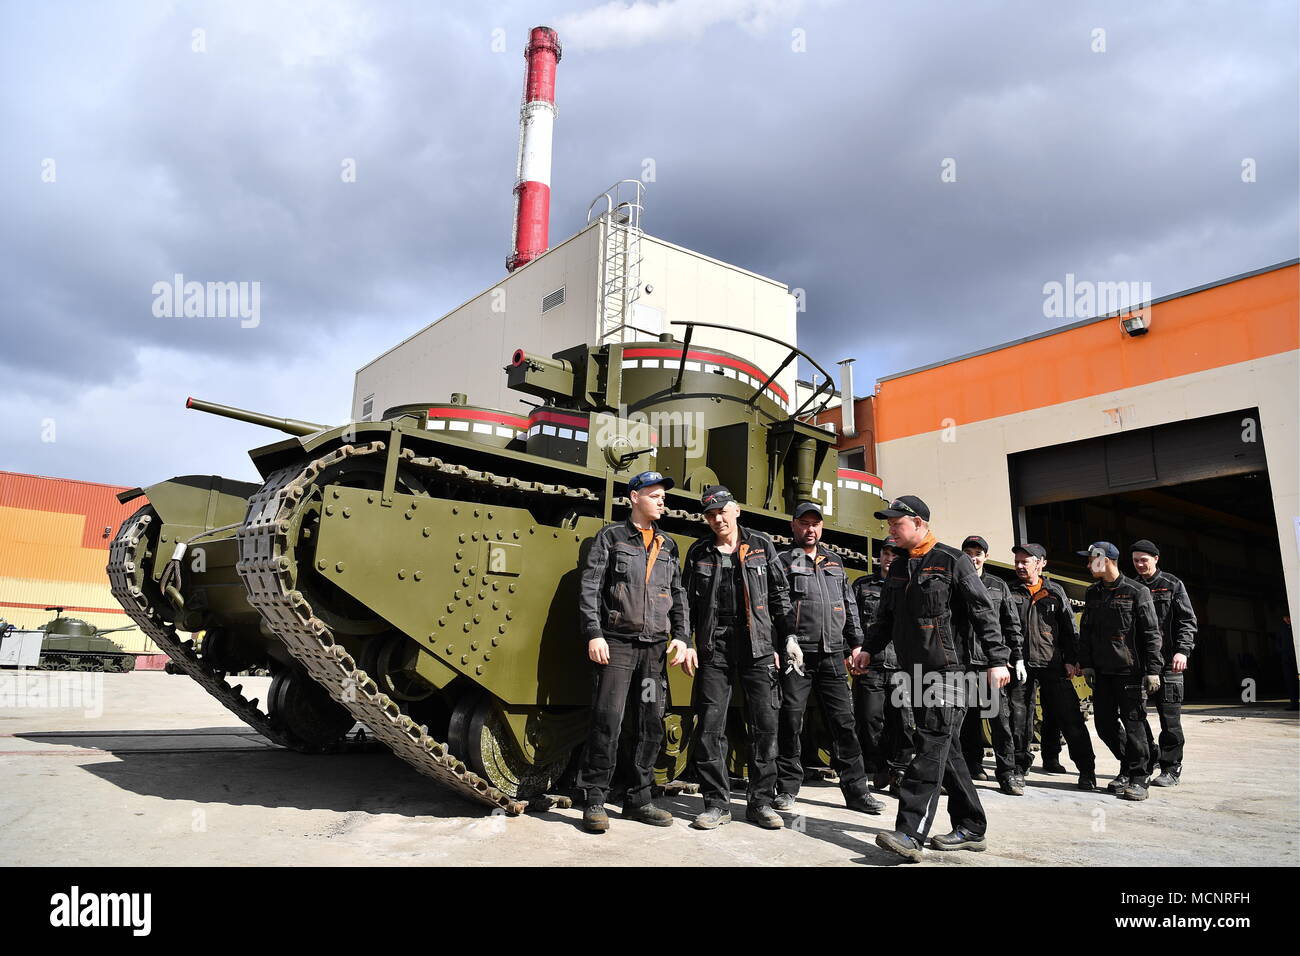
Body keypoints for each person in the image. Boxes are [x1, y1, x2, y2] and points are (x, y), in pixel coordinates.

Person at [849, 496, 1010, 863]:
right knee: (945, 749)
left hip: (948, 672)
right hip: (913, 672)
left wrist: (998, 659)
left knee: (930, 746)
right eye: (888, 523)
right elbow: (885, 619)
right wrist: (869, 649)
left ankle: (910, 832)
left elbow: (984, 613)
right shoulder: (900, 568)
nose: (890, 528)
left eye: (896, 522)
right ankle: (971, 825)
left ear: (919, 523)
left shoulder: (953, 561)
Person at [574, 470, 693, 832]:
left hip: (654, 653)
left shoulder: (668, 545)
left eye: (663, 496)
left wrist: (682, 637)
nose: (662, 501)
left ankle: (639, 798)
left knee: (650, 722)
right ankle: (594, 798)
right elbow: (590, 588)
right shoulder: (611, 537)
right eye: (654, 494)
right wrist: (594, 633)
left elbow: (678, 595)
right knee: (608, 719)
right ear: (634, 498)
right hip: (618, 646)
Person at [683, 485, 796, 830]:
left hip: (758, 644)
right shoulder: (699, 551)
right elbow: (685, 602)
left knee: (765, 726)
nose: (717, 519)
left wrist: (788, 636)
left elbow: (780, 594)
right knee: (710, 726)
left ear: (736, 510)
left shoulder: (761, 545)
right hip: (714, 645)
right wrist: (685, 640)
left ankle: (760, 803)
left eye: (722, 511)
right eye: (710, 514)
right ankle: (716, 804)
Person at [773, 502, 885, 815]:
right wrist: (779, 643)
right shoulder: (781, 561)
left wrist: (856, 645)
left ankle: (857, 791)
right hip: (798, 654)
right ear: (794, 525)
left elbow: (848, 605)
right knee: (791, 721)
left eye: (815, 524)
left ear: (821, 527)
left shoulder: (834, 561)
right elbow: (775, 606)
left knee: (845, 724)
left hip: (833, 654)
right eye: (804, 523)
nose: (810, 529)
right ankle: (786, 789)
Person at [1007, 544, 1097, 792]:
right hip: (1019, 664)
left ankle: (1087, 770)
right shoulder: (1009, 591)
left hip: (1052, 663)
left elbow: (1070, 629)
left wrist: (1071, 659)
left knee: (1070, 717)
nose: (1019, 566)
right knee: (1018, 720)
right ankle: (1018, 768)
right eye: (1017, 561)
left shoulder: (1055, 592)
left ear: (1041, 563)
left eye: (1026, 561)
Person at [1077, 541, 1163, 802]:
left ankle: (1139, 777)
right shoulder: (1092, 593)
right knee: (1103, 724)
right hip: (1102, 671)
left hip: (1130, 671)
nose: (1088, 564)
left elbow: (1151, 633)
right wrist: (1088, 663)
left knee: (1134, 723)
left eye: (1092, 559)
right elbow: (1087, 633)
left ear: (1107, 560)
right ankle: (1128, 765)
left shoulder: (1136, 591)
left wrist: (1153, 670)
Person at [957, 536, 1025, 793]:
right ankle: (972, 764)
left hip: (990, 663)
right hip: (963, 663)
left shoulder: (998, 586)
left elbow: (1011, 623)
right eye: (968, 552)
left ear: (986, 556)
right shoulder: (956, 583)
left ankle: (1007, 772)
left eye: (978, 553)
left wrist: (1016, 656)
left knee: (999, 719)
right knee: (965, 720)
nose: (973, 557)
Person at [851, 538, 916, 794]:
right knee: (869, 720)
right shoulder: (863, 586)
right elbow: (851, 620)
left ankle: (899, 769)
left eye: (895, 554)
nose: (890, 558)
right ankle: (879, 766)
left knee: (904, 722)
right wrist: (853, 651)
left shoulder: (911, 586)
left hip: (902, 666)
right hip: (872, 665)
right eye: (886, 553)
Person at [1129, 540, 1196, 786]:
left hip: (1169, 664)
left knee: (1170, 719)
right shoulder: (1131, 586)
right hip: (1139, 665)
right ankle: (1152, 755)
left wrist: (1183, 651)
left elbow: (1187, 621)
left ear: (1156, 558)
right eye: (1136, 560)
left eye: (1144, 560)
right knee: (1134, 716)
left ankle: (1171, 768)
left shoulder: (1171, 585)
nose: (1139, 564)